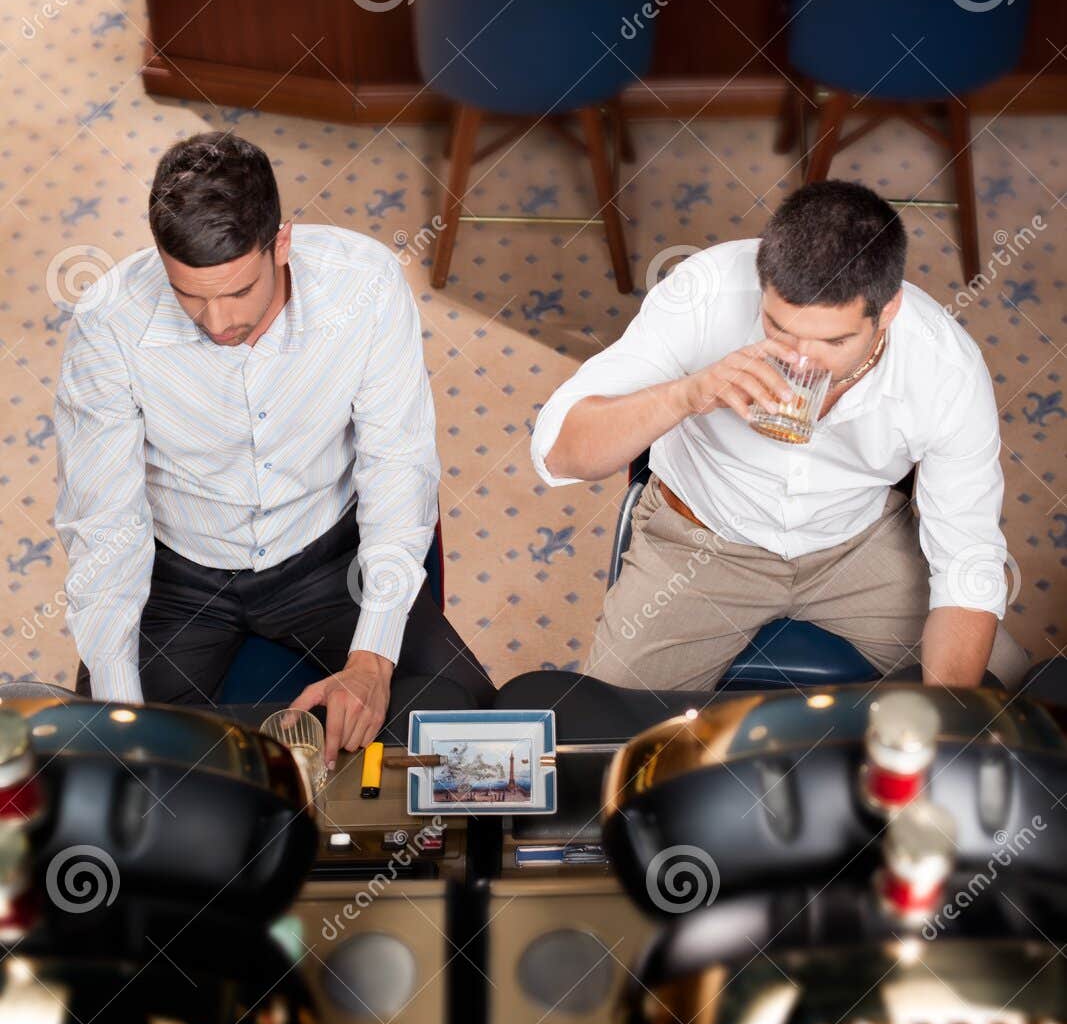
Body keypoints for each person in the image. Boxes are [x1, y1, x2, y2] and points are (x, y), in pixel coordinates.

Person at [55, 131, 491, 759]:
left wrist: (372, 658)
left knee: (473, 738)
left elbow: (399, 467)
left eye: (237, 292)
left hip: (329, 561)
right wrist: (122, 719)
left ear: (281, 243)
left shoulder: (364, 286)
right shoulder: (107, 325)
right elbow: (104, 527)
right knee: (101, 770)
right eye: (189, 297)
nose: (217, 323)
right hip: (177, 578)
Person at [531, 181, 1025, 693]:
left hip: (856, 542)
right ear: (761, 284)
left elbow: (968, 556)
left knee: (1002, 695)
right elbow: (561, 454)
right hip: (699, 538)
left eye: (835, 341)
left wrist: (946, 726)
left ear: (889, 310)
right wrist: (686, 395)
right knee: (611, 733)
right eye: (779, 328)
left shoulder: (945, 367)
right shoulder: (704, 293)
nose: (802, 362)